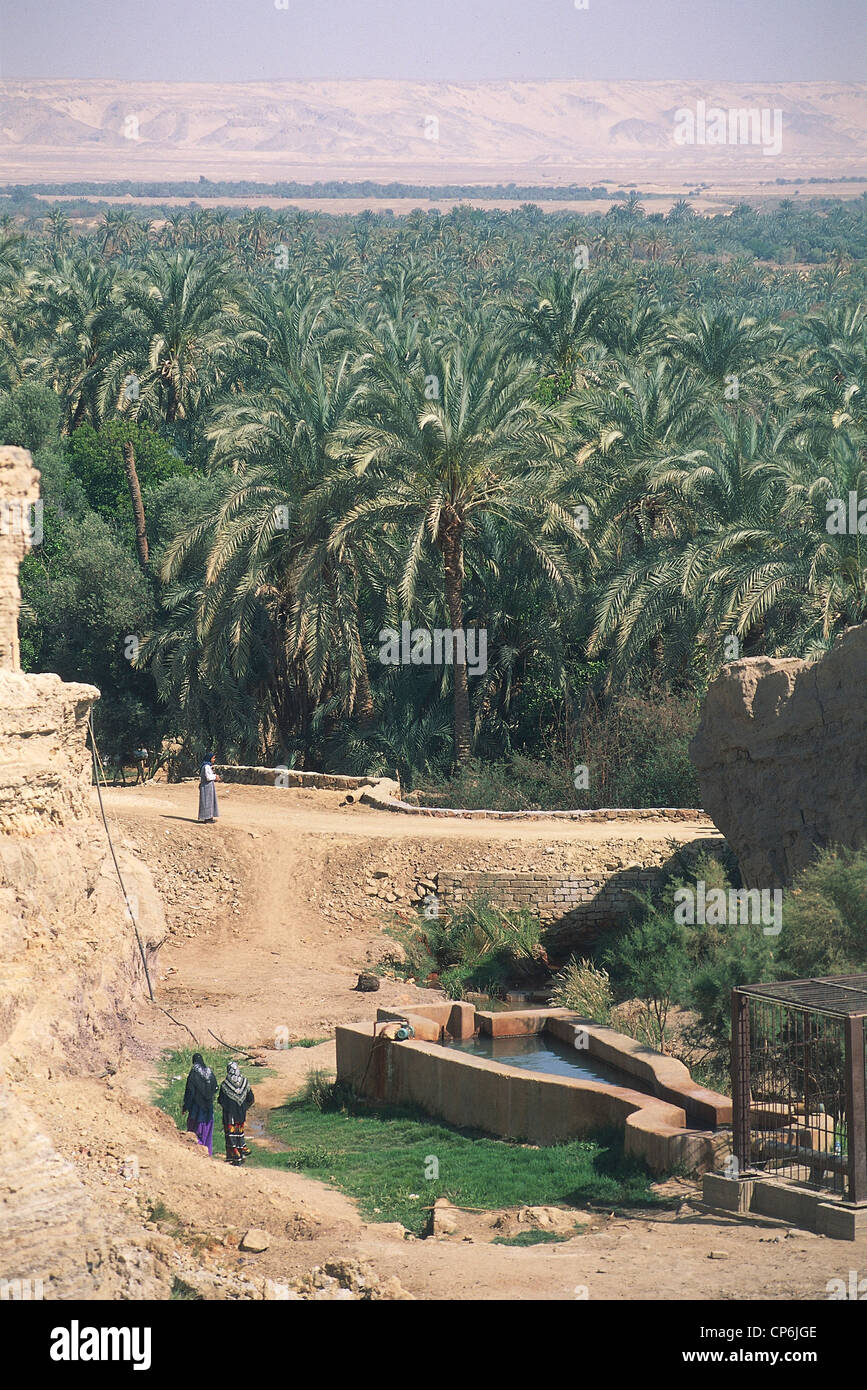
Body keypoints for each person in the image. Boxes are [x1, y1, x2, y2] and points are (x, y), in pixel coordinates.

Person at [218, 1060, 254, 1166]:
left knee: (230, 1134)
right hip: (241, 1115)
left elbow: (221, 1100)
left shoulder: (225, 1084)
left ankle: (234, 1154)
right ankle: (241, 1151)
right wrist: (243, 1108)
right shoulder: (245, 1082)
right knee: (239, 1133)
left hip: (229, 1115)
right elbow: (251, 1098)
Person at [181, 1053, 218, 1155]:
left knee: (196, 1128)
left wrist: (186, 1106)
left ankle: (197, 1150)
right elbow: (215, 1087)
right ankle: (207, 1150)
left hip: (197, 1107)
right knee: (207, 1128)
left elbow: (190, 1091)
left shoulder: (194, 1073)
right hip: (208, 1106)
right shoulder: (210, 1072)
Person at [198, 753, 220, 823]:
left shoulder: (207, 766)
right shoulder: (206, 766)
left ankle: (209, 817)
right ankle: (206, 818)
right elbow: (208, 777)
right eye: (213, 758)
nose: (214, 760)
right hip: (206, 786)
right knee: (206, 801)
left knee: (209, 801)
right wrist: (215, 777)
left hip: (208, 786)